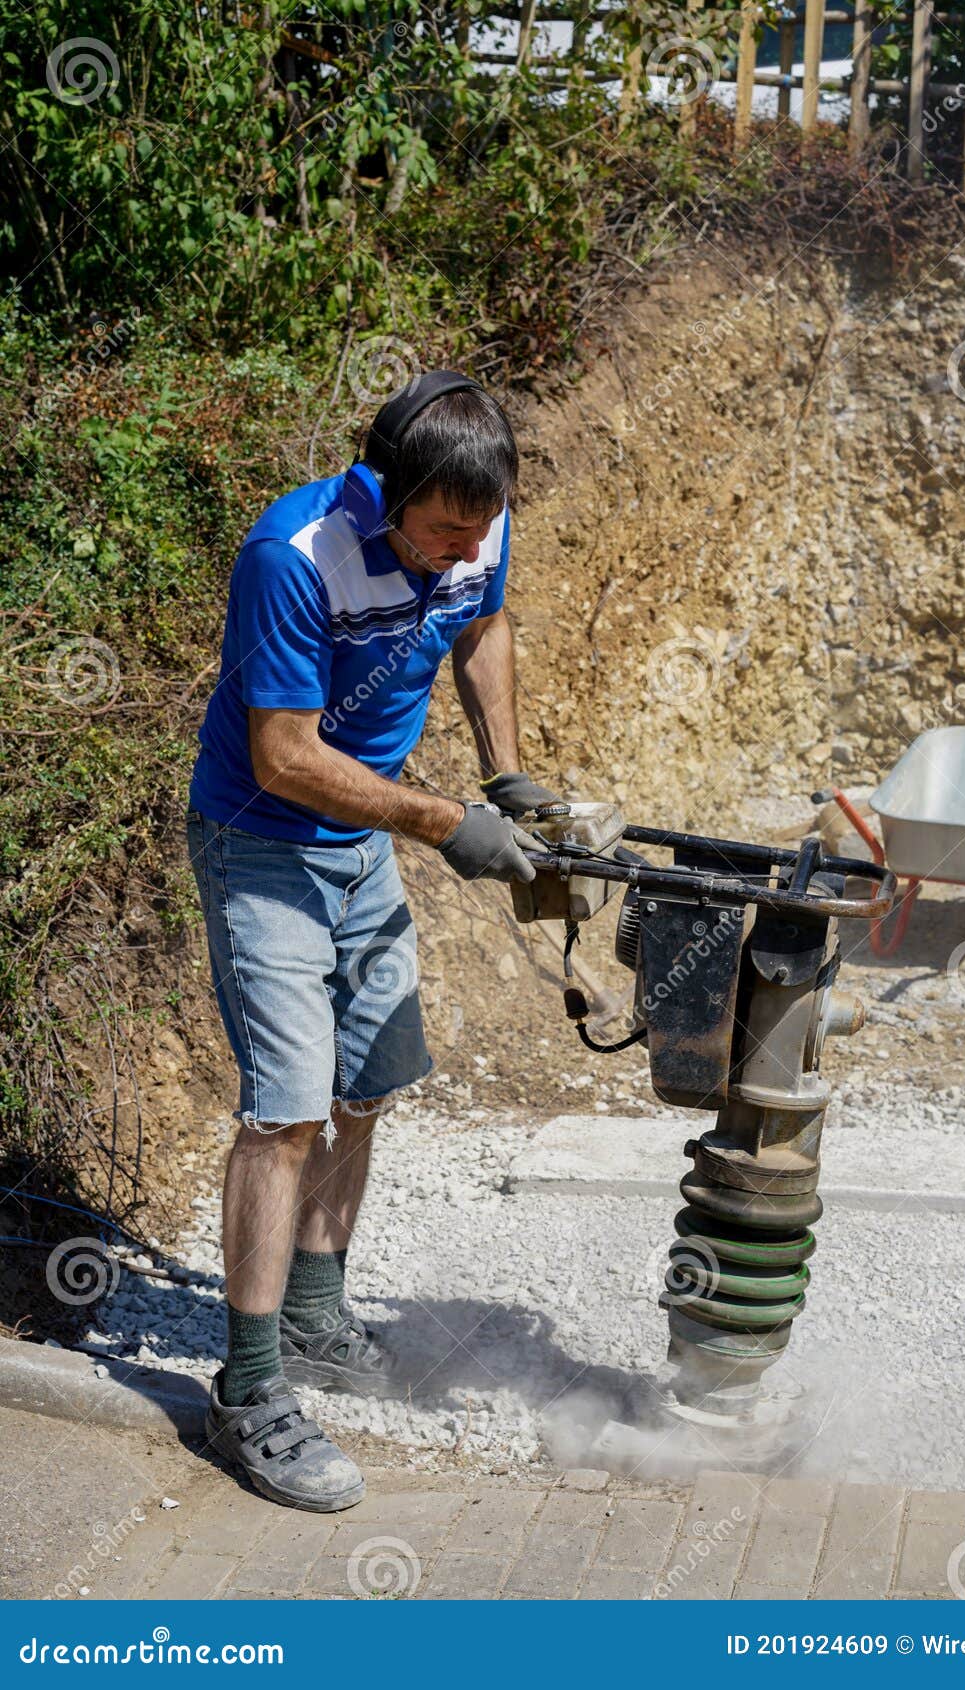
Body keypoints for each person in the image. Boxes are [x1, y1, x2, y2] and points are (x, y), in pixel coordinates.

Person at [185, 370, 560, 1510]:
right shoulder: (292, 558)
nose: (463, 551)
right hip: (263, 844)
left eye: (479, 529)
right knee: (286, 1111)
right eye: (444, 529)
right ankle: (247, 1393)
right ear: (385, 489)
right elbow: (286, 758)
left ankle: (311, 1310)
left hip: (360, 846)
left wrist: (506, 770)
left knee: (368, 1083)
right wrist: (447, 822)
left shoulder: (475, 524)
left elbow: (482, 622)